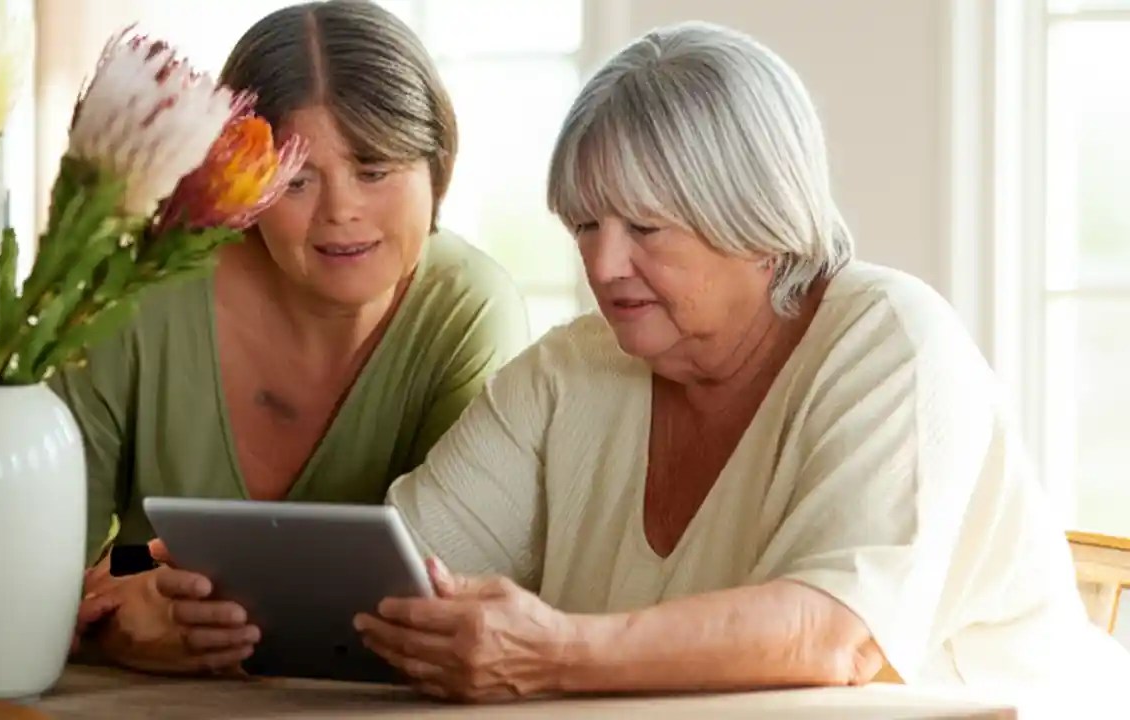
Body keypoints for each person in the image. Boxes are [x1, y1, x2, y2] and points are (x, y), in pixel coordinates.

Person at [152, 20, 1130, 711]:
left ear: (758, 225)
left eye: (645, 229)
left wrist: (557, 653)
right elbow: (399, 578)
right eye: (584, 225)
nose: (602, 264)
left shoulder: (891, 339)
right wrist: (229, 614)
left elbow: (836, 635)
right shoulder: (567, 374)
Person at [58, 0, 530, 674]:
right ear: (242, 180)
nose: (342, 212)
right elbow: (42, 566)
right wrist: (119, 616)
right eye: (299, 180)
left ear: (437, 166)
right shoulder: (137, 288)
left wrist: (135, 568)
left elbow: (451, 591)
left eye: (374, 170)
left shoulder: (467, 310)